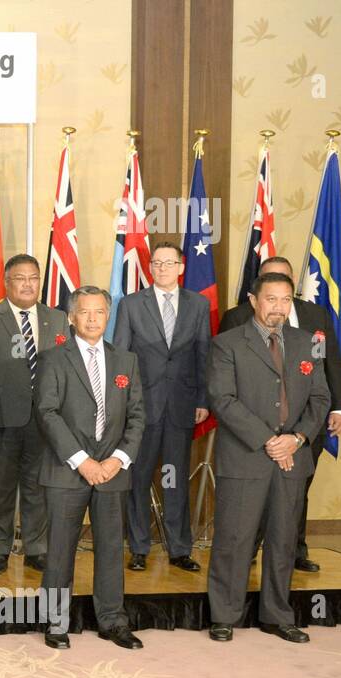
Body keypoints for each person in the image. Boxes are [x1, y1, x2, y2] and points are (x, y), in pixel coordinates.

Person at [207, 272, 330, 644]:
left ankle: (277, 615)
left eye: (286, 300)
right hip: (246, 457)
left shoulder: (309, 343)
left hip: (293, 458)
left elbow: (321, 399)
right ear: (253, 300)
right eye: (271, 299)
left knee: (283, 539)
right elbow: (223, 400)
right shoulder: (227, 344)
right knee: (234, 539)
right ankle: (224, 616)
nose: (279, 307)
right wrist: (269, 441)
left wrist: (296, 438)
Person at [219, 256, 341, 573]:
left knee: (296, 492)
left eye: (285, 286)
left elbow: (329, 361)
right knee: (253, 498)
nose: (278, 301)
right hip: (253, 433)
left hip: (305, 425)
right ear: (256, 291)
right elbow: (226, 385)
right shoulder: (236, 319)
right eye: (271, 285)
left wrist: (340, 406)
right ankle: (249, 549)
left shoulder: (315, 315)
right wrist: (269, 438)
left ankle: (295, 550)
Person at [36, 286, 145, 650]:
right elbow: (47, 413)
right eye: (86, 312)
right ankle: (56, 621)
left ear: (108, 315)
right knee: (60, 550)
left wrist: (117, 460)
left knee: (112, 549)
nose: (93, 318)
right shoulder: (53, 358)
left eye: (100, 311)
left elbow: (137, 416)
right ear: (72, 317)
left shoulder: (125, 360)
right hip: (67, 470)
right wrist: (83, 461)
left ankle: (113, 621)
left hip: (113, 472)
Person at [0, 254, 69, 575]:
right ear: (7, 283)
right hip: (1, 420)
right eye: (20, 278)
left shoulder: (58, 318)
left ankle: (36, 549)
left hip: (46, 421)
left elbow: (67, 368)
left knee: (39, 487)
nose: (27, 284)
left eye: (33, 278)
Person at [112, 242, 211, 572]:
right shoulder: (130, 304)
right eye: (157, 263)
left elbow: (203, 355)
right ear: (150, 267)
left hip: (181, 407)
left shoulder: (198, 305)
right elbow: (121, 358)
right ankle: (138, 547)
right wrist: (123, 404)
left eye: (169, 263)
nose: (163, 268)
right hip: (142, 408)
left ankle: (179, 548)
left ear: (181, 267)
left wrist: (202, 400)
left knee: (174, 479)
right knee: (138, 478)